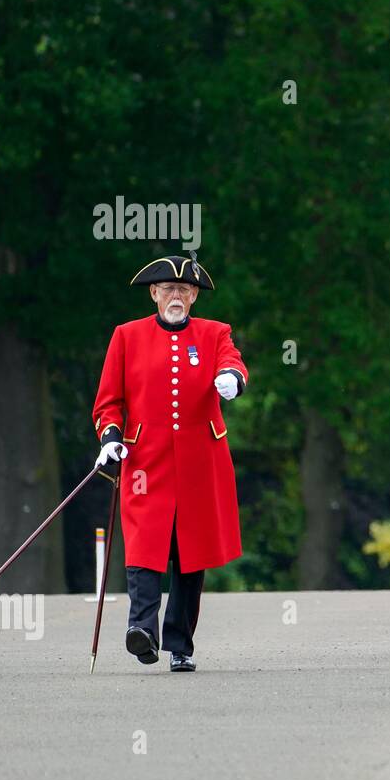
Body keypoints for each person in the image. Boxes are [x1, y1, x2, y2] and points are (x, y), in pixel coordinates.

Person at [92, 254, 249, 672]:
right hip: (146, 460)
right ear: (154, 294)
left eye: (184, 290)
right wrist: (109, 437)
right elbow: (110, 402)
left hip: (201, 460)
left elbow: (233, 361)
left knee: (190, 552)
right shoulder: (127, 336)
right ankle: (142, 631)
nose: (176, 296)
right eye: (168, 289)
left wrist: (232, 378)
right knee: (143, 544)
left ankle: (180, 643)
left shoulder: (215, 333)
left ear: (194, 295)